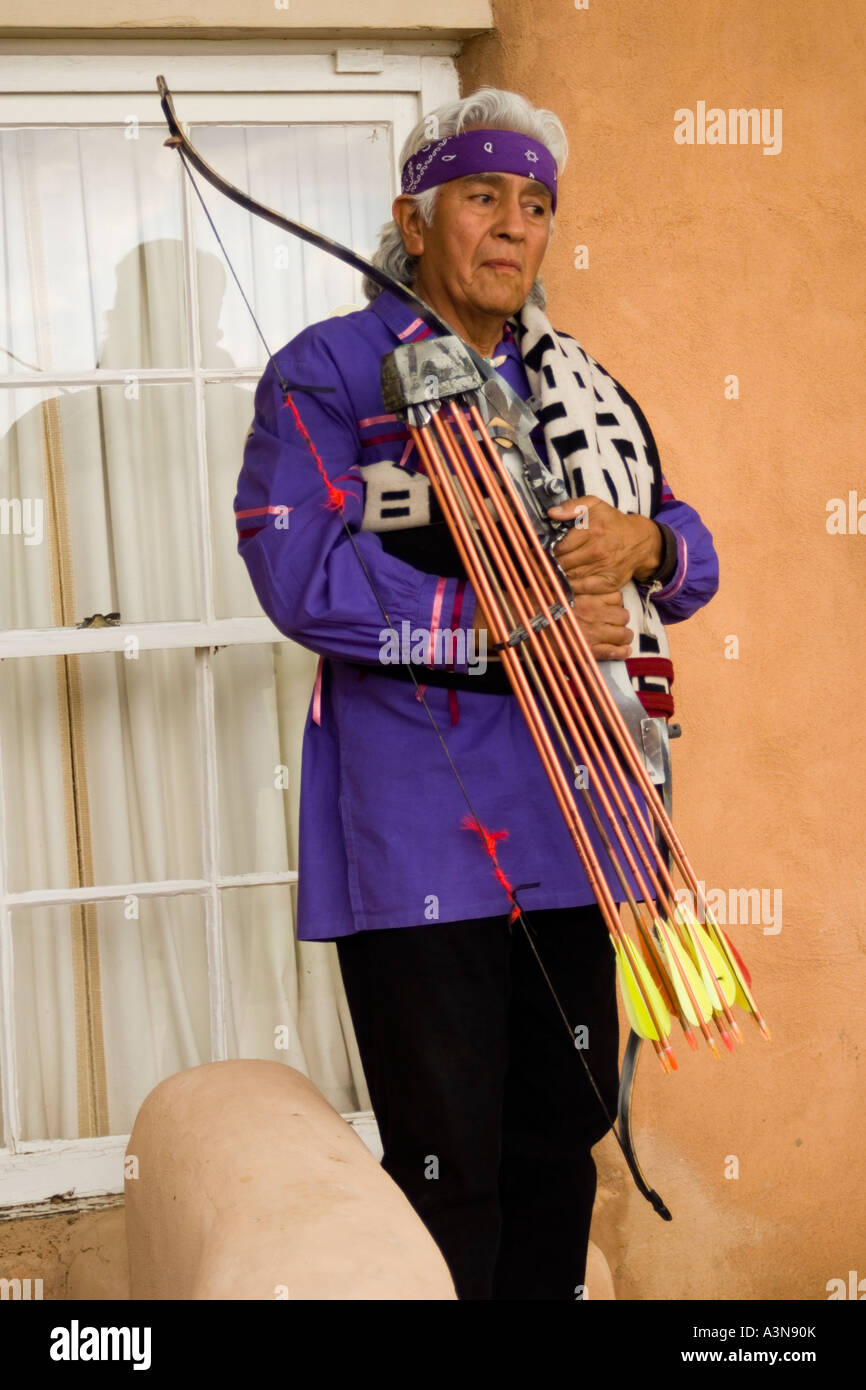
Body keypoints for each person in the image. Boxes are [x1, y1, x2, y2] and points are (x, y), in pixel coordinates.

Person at [234, 86, 719, 1300]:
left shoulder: (575, 386)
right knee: (449, 1177)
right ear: (413, 215)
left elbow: (685, 548)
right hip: (416, 848)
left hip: (576, 825)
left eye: (537, 204)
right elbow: (302, 574)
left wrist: (637, 549)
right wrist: (507, 628)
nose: (514, 226)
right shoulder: (331, 372)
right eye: (482, 196)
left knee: (560, 1151)